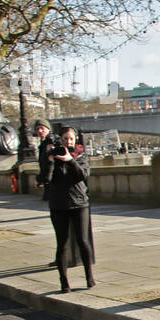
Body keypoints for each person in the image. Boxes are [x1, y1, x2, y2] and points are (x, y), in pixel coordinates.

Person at [46, 126, 94, 293]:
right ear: (60, 140)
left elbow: (82, 175)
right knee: (62, 244)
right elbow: (45, 178)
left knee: (83, 241)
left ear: (75, 140)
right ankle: (64, 281)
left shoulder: (81, 156)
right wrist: (50, 159)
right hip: (58, 205)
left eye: (71, 139)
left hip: (79, 203)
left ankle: (89, 276)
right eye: (65, 138)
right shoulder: (53, 157)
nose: (68, 141)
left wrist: (70, 160)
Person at [34, 118, 55, 201]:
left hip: (51, 181)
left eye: (42, 128)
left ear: (48, 129)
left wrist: (44, 178)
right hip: (48, 181)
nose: (39, 131)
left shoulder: (50, 141)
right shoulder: (44, 142)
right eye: (37, 129)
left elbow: (50, 163)